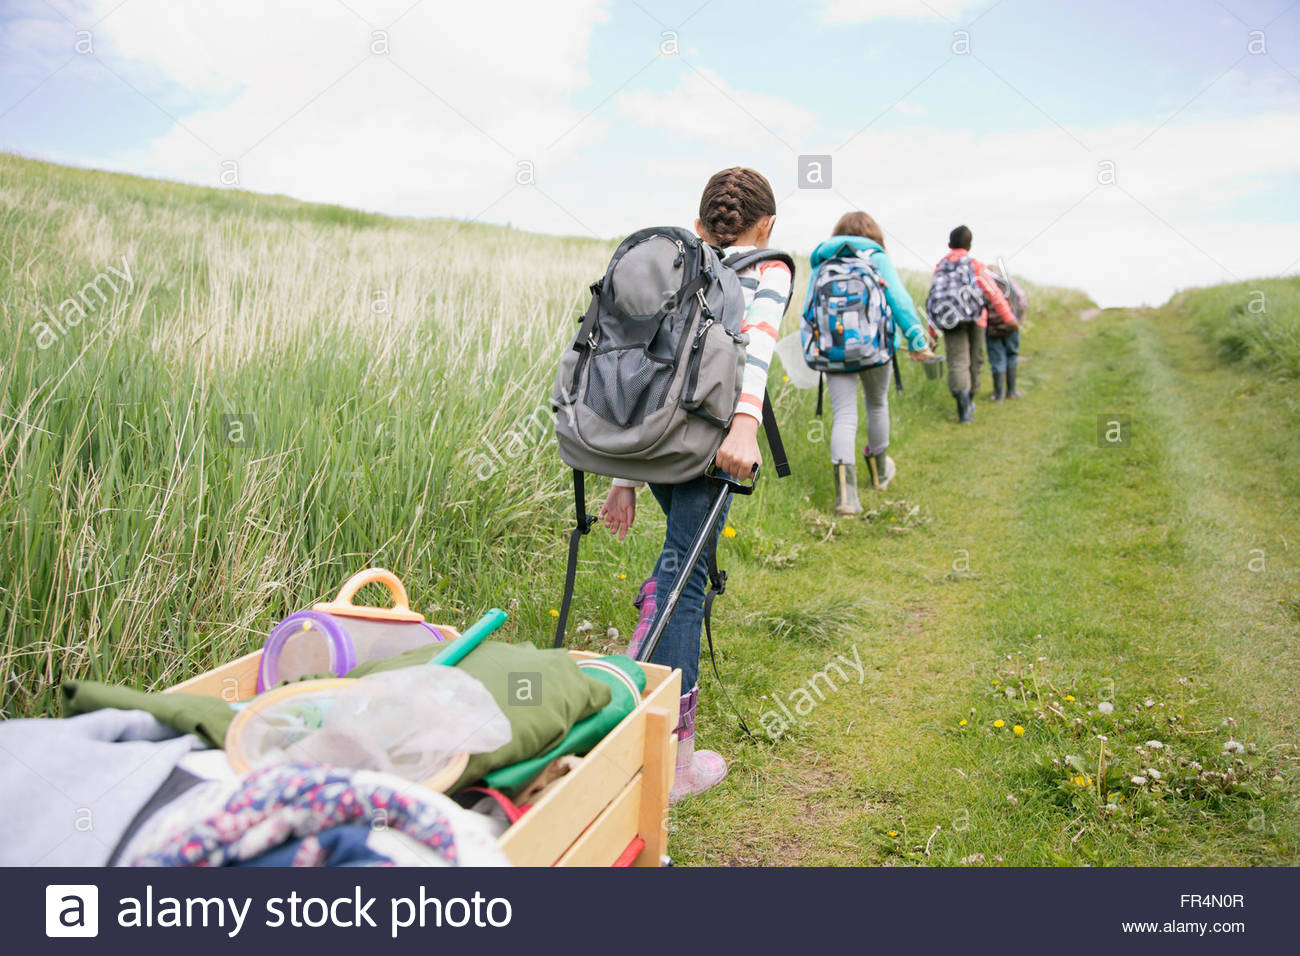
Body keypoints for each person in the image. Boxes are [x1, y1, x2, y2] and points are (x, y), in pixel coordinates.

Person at [599, 167, 793, 802]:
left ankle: (648, 645)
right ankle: (672, 761)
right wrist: (744, 428)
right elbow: (757, 350)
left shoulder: (675, 262)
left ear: (703, 216)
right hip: (711, 441)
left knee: (682, 566)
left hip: (653, 439)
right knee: (686, 574)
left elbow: (637, 363)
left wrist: (625, 473)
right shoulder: (769, 267)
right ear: (765, 224)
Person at [808, 212, 934, 515]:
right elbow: (900, 301)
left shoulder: (823, 261)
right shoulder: (875, 257)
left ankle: (847, 498)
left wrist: (812, 351)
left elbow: (807, 311)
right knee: (877, 404)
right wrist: (918, 340)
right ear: (873, 235)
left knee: (844, 415)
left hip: (833, 350)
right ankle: (879, 473)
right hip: (875, 348)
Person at [928, 225, 1018, 423]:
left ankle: (963, 408)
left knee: (958, 362)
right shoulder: (975, 265)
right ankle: (969, 401)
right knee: (975, 361)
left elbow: (934, 299)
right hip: (976, 319)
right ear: (969, 245)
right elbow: (993, 292)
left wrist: (932, 333)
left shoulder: (940, 266)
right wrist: (1009, 318)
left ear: (949, 244)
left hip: (950, 321)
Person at [985, 260, 1028, 400]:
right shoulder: (1008, 282)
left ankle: (998, 395)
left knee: (997, 359)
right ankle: (1012, 392)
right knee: (1012, 354)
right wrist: (1019, 320)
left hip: (992, 327)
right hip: (1011, 324)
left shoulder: (984, 284)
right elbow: (1021, 299)